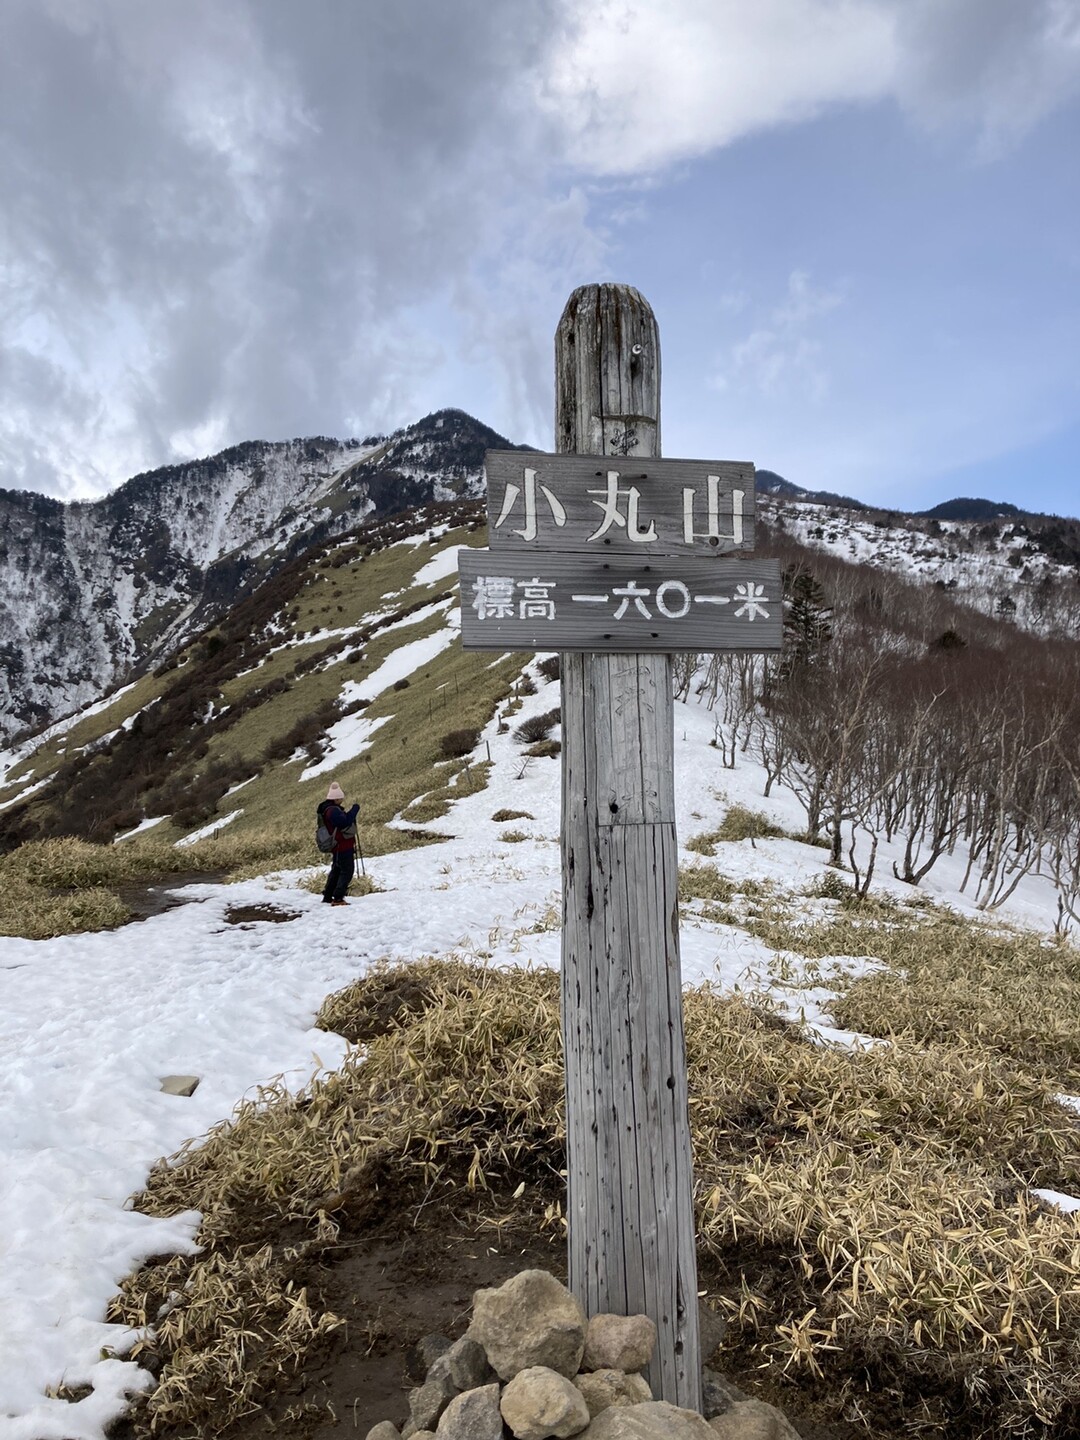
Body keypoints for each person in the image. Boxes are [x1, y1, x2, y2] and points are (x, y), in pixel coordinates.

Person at [319, 782, 360, 906]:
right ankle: (338, 898)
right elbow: (344, 822)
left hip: (336, 846)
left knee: (336, 870)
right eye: (341, 798)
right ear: (335, 798)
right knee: (347, 870)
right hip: (342, 845)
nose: (342, 800)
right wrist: (354, 810)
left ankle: (328, 896)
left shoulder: (327, 809)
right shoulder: (333, 811)